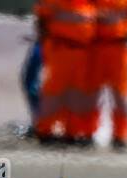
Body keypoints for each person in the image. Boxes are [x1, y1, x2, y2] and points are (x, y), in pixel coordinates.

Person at [34, 0, 98, 144]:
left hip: (82, 51)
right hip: (61, 48)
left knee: (76, 93)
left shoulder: (89, 4)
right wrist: (46, 43)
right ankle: (45, 131)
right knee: (54, 92)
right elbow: (42, 19)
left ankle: (72, 132)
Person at [90, 0, 127, 150]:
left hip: (119, 48)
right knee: (90, 93)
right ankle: (87, 132)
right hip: (94, 47)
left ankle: (120, 135)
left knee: (120, 95)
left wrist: (126, 28)